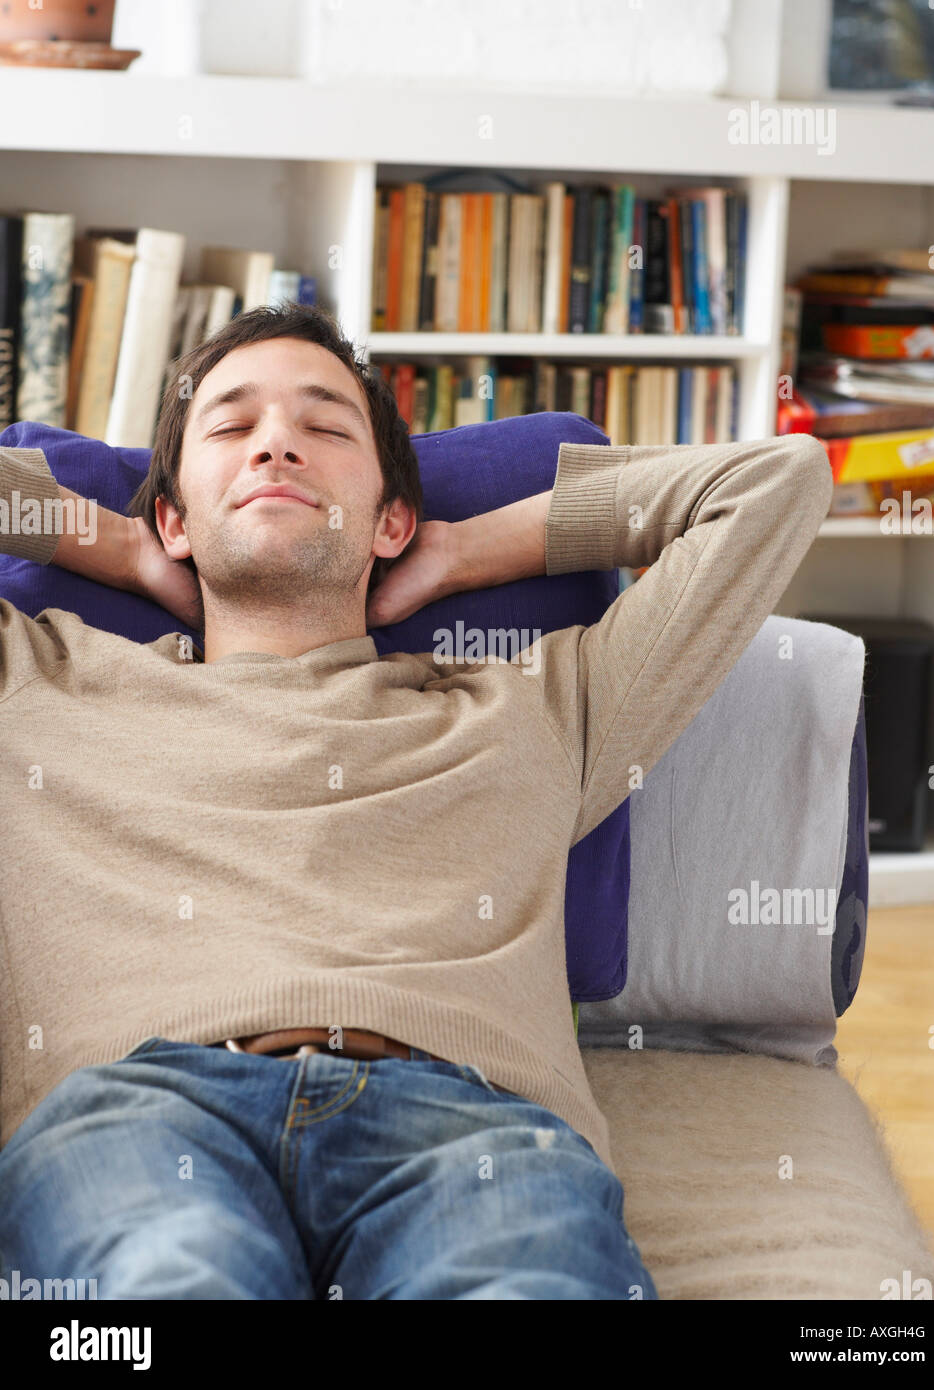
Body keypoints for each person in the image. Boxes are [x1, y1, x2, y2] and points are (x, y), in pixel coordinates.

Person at [0, 302, 833, 1300]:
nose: (276, 443)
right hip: (137, 1108)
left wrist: (469, 550)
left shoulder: (535, 704)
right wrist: (115, 544)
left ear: (392, 516)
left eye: (326, 426)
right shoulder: (42, 677)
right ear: (173, 514)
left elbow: (778, 483)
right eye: (230, 425)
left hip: (469, 1119)